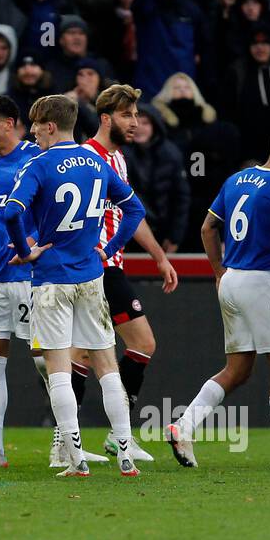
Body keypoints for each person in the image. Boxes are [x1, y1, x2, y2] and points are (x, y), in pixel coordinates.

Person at [2, 94, 146, 476]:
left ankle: (76, 458)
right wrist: (109, 249)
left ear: (51, 125)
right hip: (92, 278)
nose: (31, 132)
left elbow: (12, 211)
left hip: (51, 280)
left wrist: (25, 250)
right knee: (107, 367)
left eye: (34, 124)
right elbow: (135, 209)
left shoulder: (40, 164)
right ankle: (126, 454)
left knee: (58, 369)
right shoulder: (98, 164)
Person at [0, 95, 107, 468]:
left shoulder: (38, 158)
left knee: (48, 361)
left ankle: (65, 444)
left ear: (8, 123)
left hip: (32, 277)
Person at [167, 130, 270, 467]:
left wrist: (217, 272)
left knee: (238, 370)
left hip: (231, 280)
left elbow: (208, 227)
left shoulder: (237, 179)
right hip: (264, 282)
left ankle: (184, 426)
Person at [81, 84, 180, 462]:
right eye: (127, 115)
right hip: (95, 267)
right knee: (83, 353)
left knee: (127, 346)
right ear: (106, 118)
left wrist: (159, 257)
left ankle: (109, 436)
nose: (136, 122)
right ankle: (79, 441)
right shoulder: (88, 157)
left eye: (136, 115)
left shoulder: (118, 159)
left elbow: (130, 213)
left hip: (110, 266)